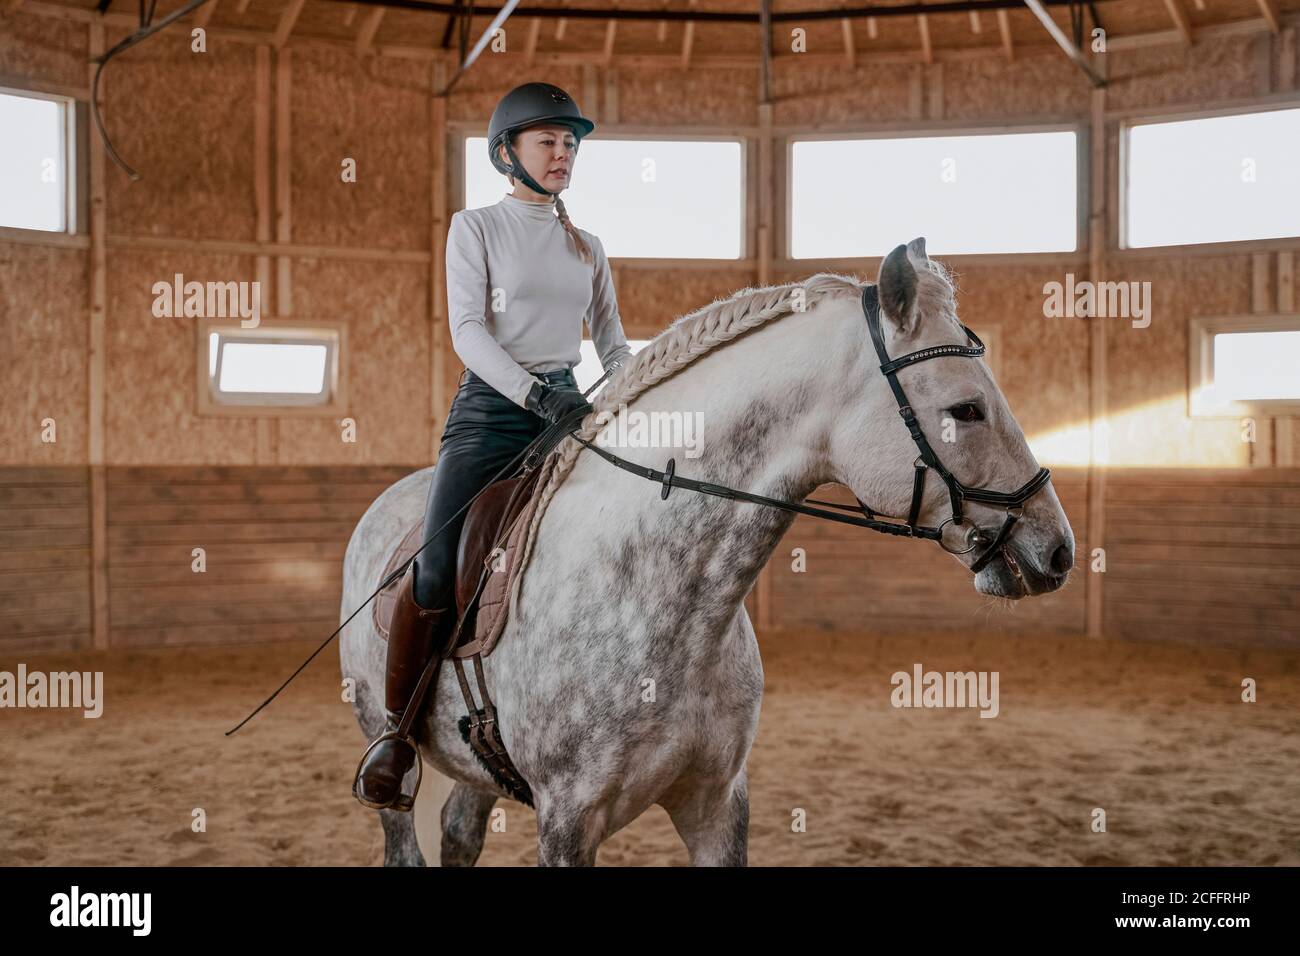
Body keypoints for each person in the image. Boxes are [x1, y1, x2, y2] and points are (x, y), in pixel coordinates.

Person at [353, 81, 633, 811]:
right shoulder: (473, 228)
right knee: (441, 565)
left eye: (570, 144)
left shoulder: (587, 247)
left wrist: (639, 404)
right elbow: (469, 332)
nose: (563, 153)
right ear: (508, 152)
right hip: (493, 414)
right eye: (549, 141)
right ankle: (397, 736)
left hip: (568, 413)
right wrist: (533, 393)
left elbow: (611, 343)